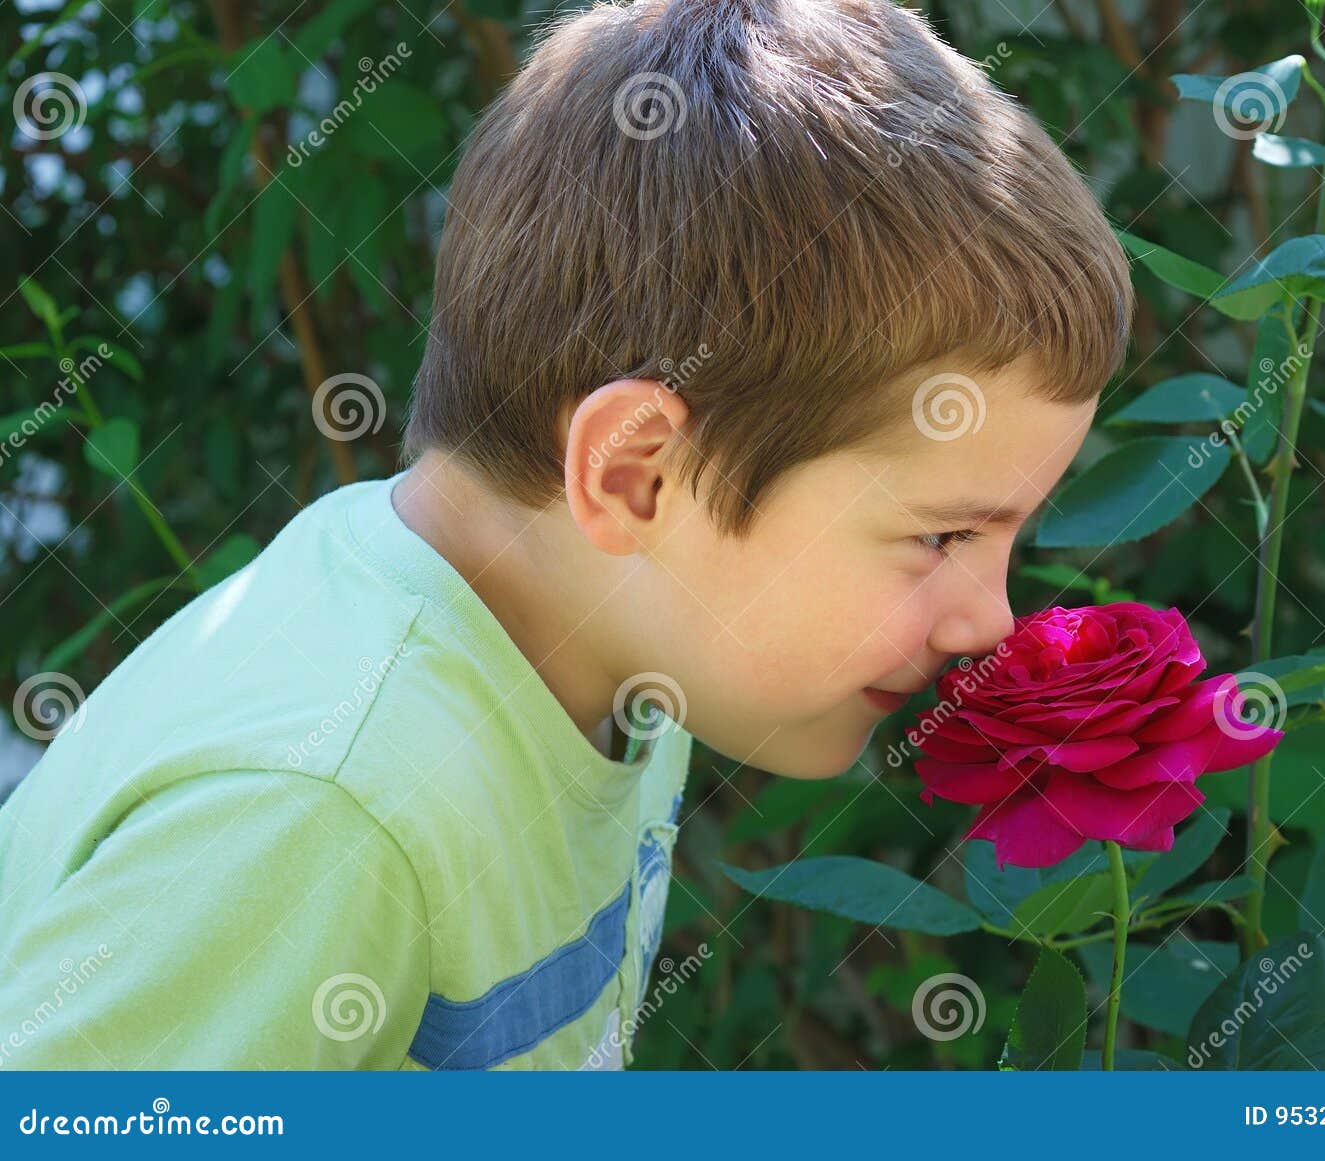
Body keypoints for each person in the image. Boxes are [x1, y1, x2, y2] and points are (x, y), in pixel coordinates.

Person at [0, 0, 1131, 1069]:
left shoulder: (618, 639)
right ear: (638, 474)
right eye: (943, 535)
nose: (992, 620)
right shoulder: (324, 817)